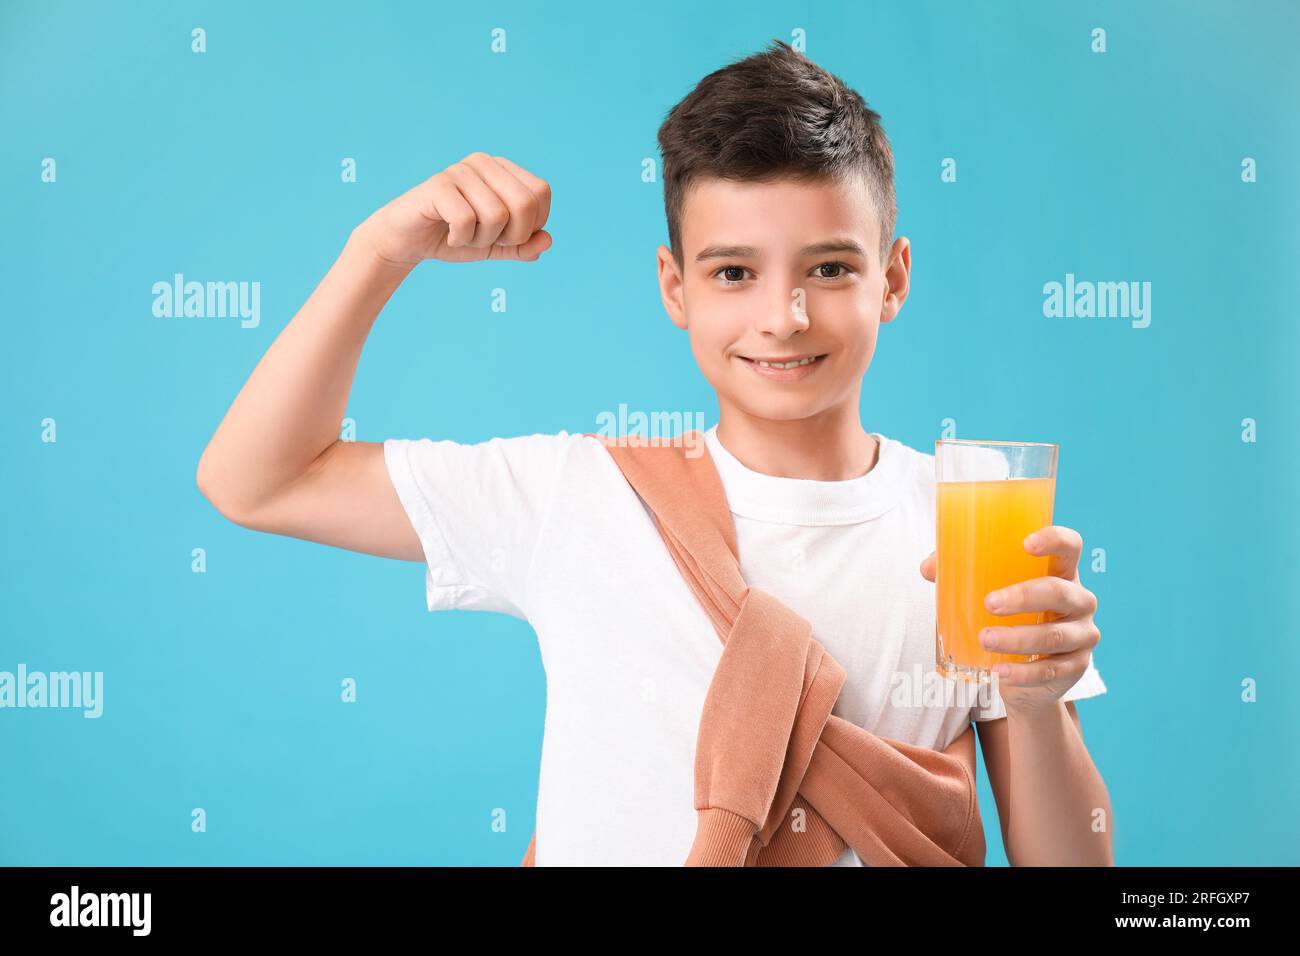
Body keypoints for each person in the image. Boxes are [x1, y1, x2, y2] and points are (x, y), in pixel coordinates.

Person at [196, 39, 1112, 866]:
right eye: (733, 272)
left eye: (830, 269)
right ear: (675, 287)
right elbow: (259, 481)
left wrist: (1034, 707)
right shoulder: (575, 494)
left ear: (894, 279)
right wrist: (380, 249)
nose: (782, 318)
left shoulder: (971, 517)